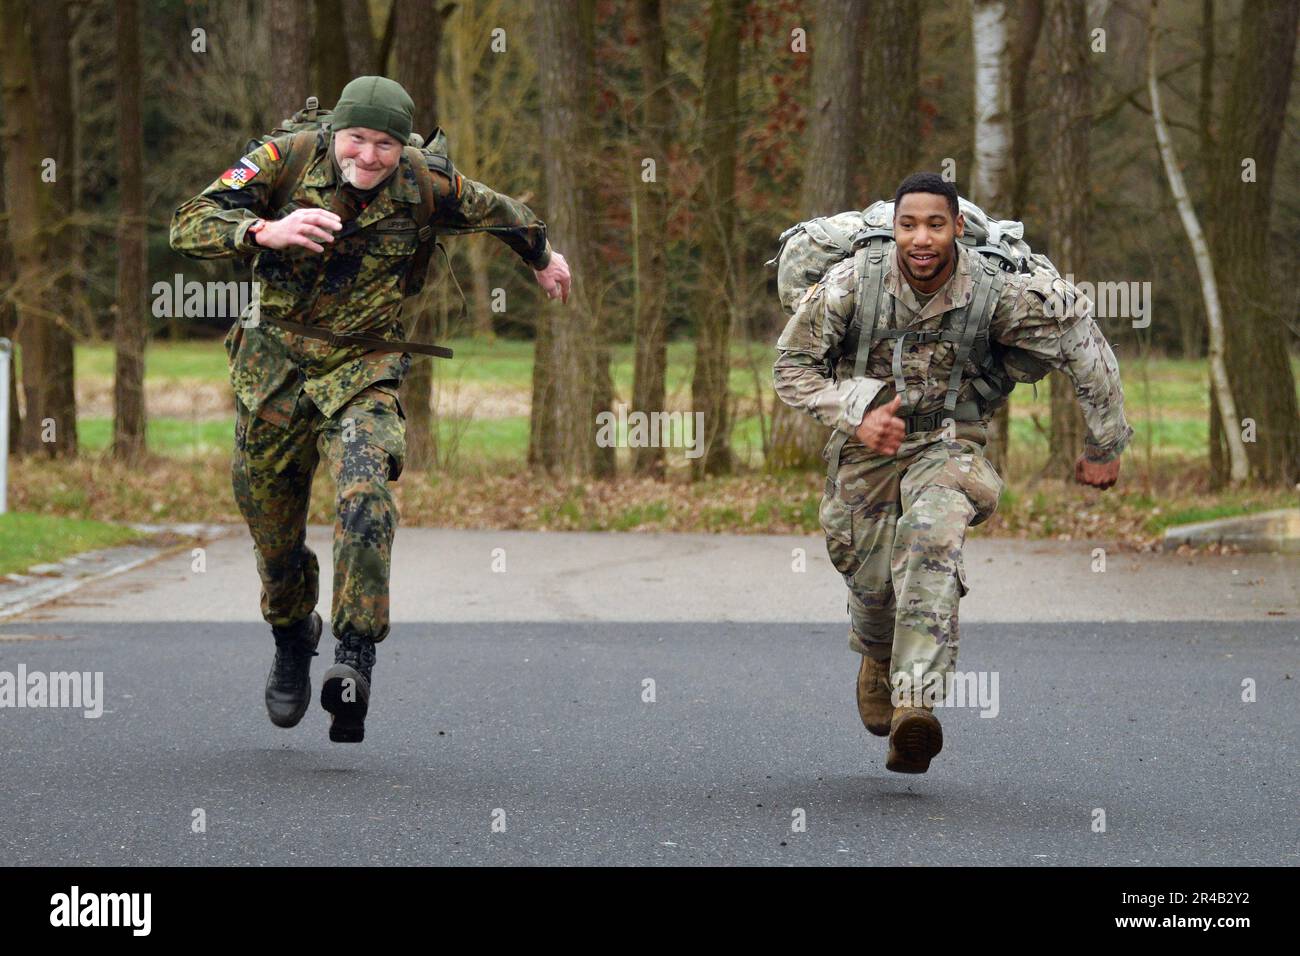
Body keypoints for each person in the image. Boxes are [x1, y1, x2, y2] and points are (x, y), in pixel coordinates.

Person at [170, 75, 571, 743]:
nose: (370, 156)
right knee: (274, 538)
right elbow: (189, 223)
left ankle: (354, 657)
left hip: (365, 371)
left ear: (402, 144)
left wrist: (543, 256)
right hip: (273, 375)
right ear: (335, 134)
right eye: (357, 139)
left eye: (385, 144)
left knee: (366, 496)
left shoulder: (423, 181)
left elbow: (498, 209)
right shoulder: (284, 159)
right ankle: (293, 633)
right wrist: (265, 231)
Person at [773, 172, 1131, 773]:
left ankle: (916, 705)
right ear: (893, 230)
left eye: (936, 225)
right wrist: (856, 415)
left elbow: (1079, 338)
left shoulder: (994, 291)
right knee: (868, 579)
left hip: (949, 441)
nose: (922, 239)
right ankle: (878, 655)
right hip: (865, 447)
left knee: (931, 536)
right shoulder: (849, 284)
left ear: (958, 229)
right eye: (909, 225)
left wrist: (1105, 443)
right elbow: (792, 369)